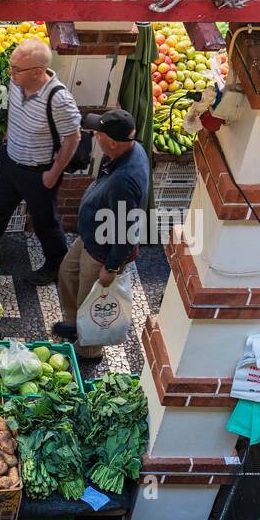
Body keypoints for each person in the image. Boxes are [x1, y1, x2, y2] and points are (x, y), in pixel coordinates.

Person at [0, 37, 79, 287]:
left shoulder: (59, 100)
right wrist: (9, 138)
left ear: (37, 72)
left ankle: (56, 265)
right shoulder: (16, 83)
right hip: (11, 161)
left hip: (39, 172)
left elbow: (73, 138)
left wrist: (54, 173)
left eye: (16, 68)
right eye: (11, 66)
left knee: (45, 222)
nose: (10, 73)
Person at [54, 108, 150, 360]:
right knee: (67, 274)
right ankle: (77, 326)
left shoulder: (125, 182)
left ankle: (88, 350)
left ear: (114, 142)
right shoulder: (124, 151)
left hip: (102, 250)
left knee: (92, 296)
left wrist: (112, 267)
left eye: (100, 132)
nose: (95, 134)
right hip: (90, 236)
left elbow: (125, 231)